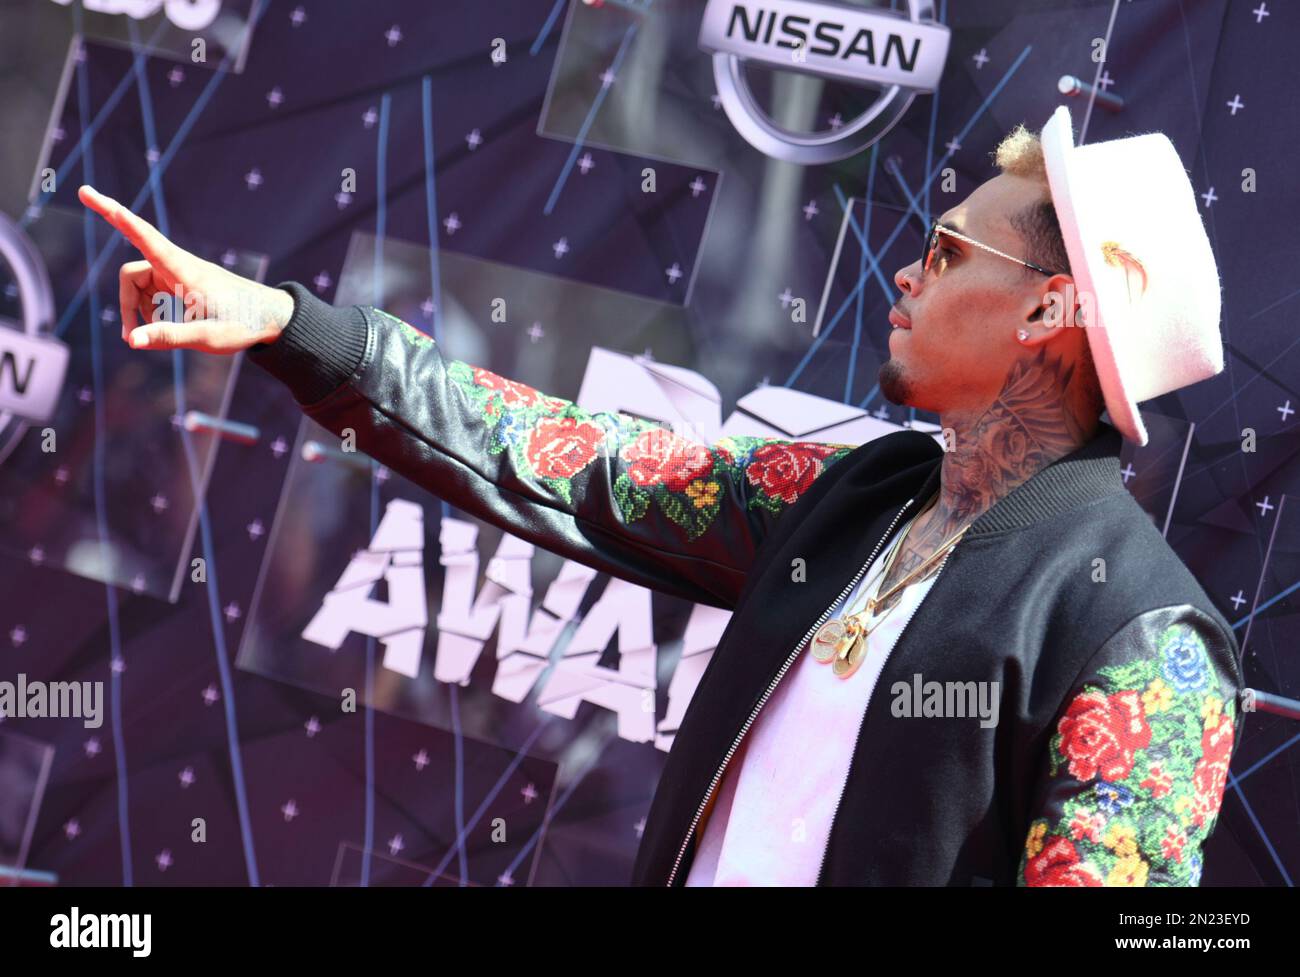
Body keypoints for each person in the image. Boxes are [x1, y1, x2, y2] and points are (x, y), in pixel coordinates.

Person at [78, 104, 1242, 886]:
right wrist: (296, 327)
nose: (905, 269)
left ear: (1049, 310)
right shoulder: (856, 493)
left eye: (944, 251)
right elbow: (565, 453)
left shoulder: (1146, 640)